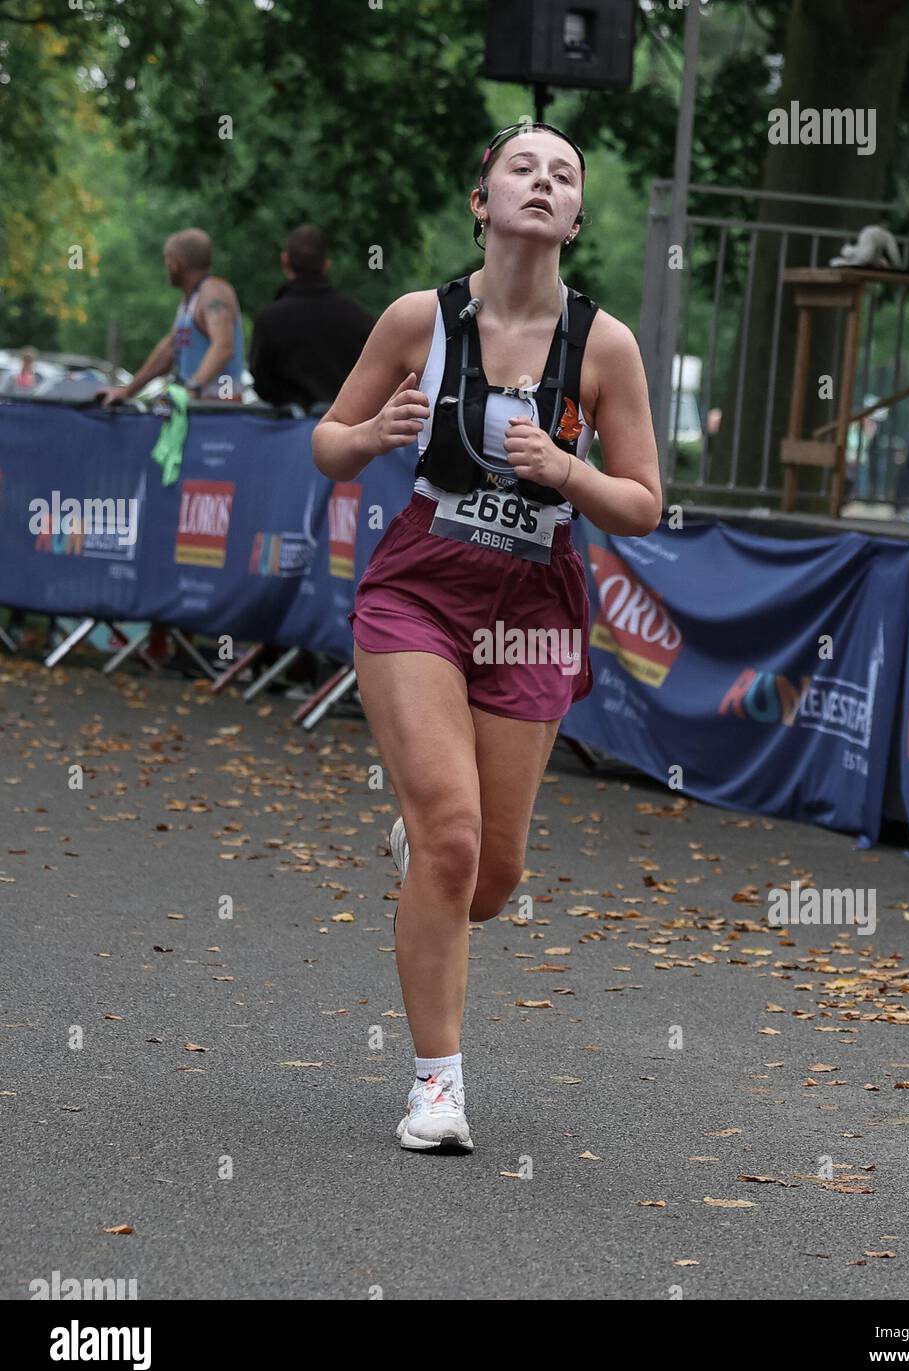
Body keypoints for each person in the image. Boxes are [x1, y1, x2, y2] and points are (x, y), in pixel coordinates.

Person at [312, 121, 661, 1152]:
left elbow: (643, 504)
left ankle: (430, 848)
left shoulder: (604, 346)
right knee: (453, 839)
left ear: (577, 217)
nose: (544, 182)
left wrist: (567, 472)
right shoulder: (418, 319)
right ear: (482, 200)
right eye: (523, 167)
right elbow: (328, 442)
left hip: (534, 607)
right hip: (420, 589)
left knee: (491, 879)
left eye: (564, 175)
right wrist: (369, 436)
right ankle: (437, 1088)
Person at [97, 228, 245, 406]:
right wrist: (127, 391)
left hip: (221, 411)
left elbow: (223, 347)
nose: (166, 265)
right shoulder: (190, 301)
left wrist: (191, 389)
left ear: (176, 262)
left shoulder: (214, 291)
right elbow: (167, 351)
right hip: (200, 409)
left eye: (167, 258)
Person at [249, 224, 375, 411]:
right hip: (349, 423)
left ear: (285, 260)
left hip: (288, 426)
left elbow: (262, 383)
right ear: (326, 265)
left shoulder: (268, 320)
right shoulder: (359, 317)